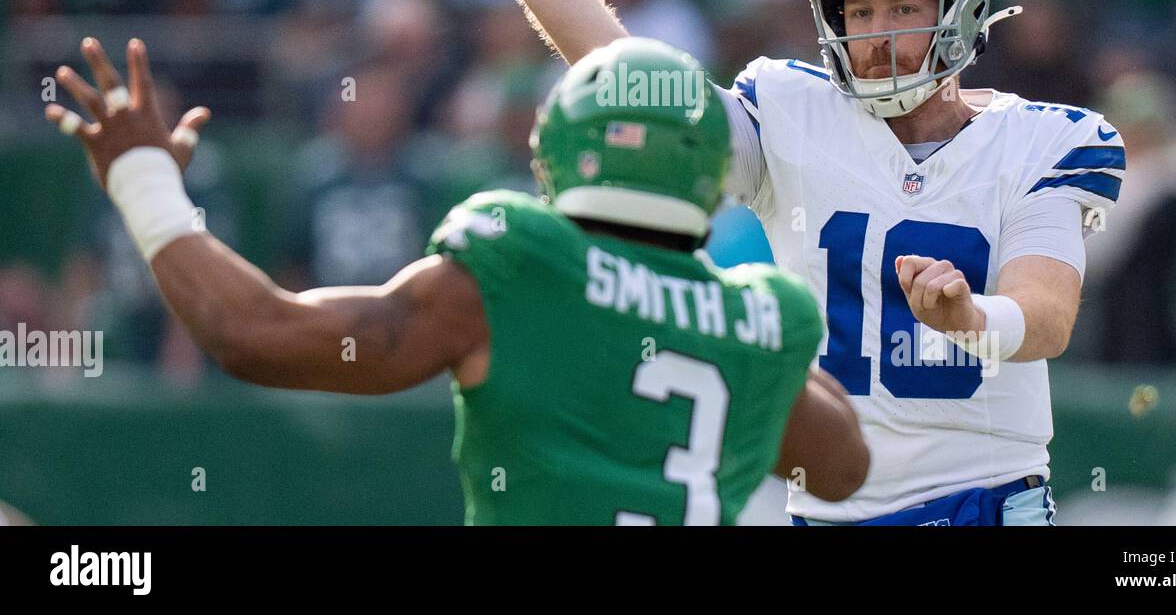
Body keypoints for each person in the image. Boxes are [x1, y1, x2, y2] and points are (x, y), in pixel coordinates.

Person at [417, 0, 1125, 525]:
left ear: (960, 7)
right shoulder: (792, 112)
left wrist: (970, 317)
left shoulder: (1041, 141)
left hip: (984, 500)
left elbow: (1048, 315)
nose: (876, 36)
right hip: (824, 513)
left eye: (904, 8)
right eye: (859, 10)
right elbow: (626, 74)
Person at [44, 35, 867, 526]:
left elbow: (251, 334)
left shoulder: (520, 263)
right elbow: (844, 469)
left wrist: (143, 180)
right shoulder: (761, 317)